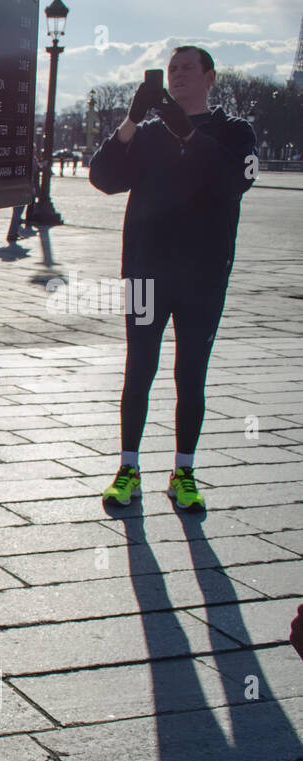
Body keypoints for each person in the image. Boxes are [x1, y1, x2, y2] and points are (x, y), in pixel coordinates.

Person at [89, 46, 255, 511]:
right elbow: (103, 177)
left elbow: (234, 181)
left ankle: (184, 471)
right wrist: (131, 120)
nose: (178, 75)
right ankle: (128, 468)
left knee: (191, 373)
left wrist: (186, 131)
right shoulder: (147, 135)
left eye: (187, 68)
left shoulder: (235, 132)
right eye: (172, 69)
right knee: (139, 368)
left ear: (210, 76)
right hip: (146, 272)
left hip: (203, 274)